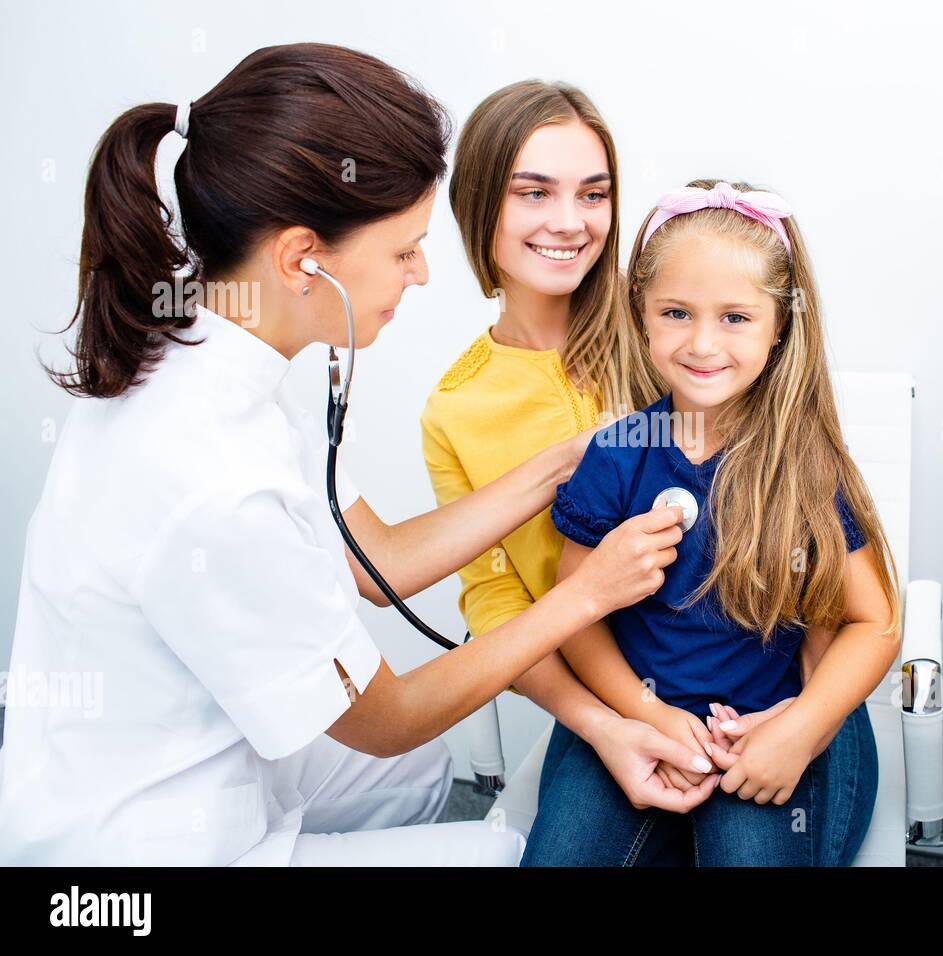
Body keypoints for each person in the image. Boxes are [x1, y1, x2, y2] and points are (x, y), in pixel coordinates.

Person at [0, 43, 688, 866]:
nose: (424, 273)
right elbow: (387, 717)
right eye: (403, 250)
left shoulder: (210, 351)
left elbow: (377, 561)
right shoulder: (213, 475)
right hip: (139, 843)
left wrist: (560, 463)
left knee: (426, 783)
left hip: (175, 733)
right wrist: (587, 595)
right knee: (503, 849)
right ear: (301, 259)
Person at [519, 179, 904, 866]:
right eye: (676, 311)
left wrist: (802, 730)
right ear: (640, 312)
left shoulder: (808, 465)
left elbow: (874, 623)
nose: (701, 343)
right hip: (635, 713)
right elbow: (574, 616)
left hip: (768, 726)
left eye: (735, 317)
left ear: (780, 325)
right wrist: (652, 717)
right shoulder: (615, 456)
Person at [420, 81, 717, 814]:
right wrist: (606, 725)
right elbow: (495, 604)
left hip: (740, 679)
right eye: (533, 193)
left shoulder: (674, 327)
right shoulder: (455, 410)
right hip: (605, 709)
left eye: (593, 194)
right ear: (479, 204)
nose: (569, 222)